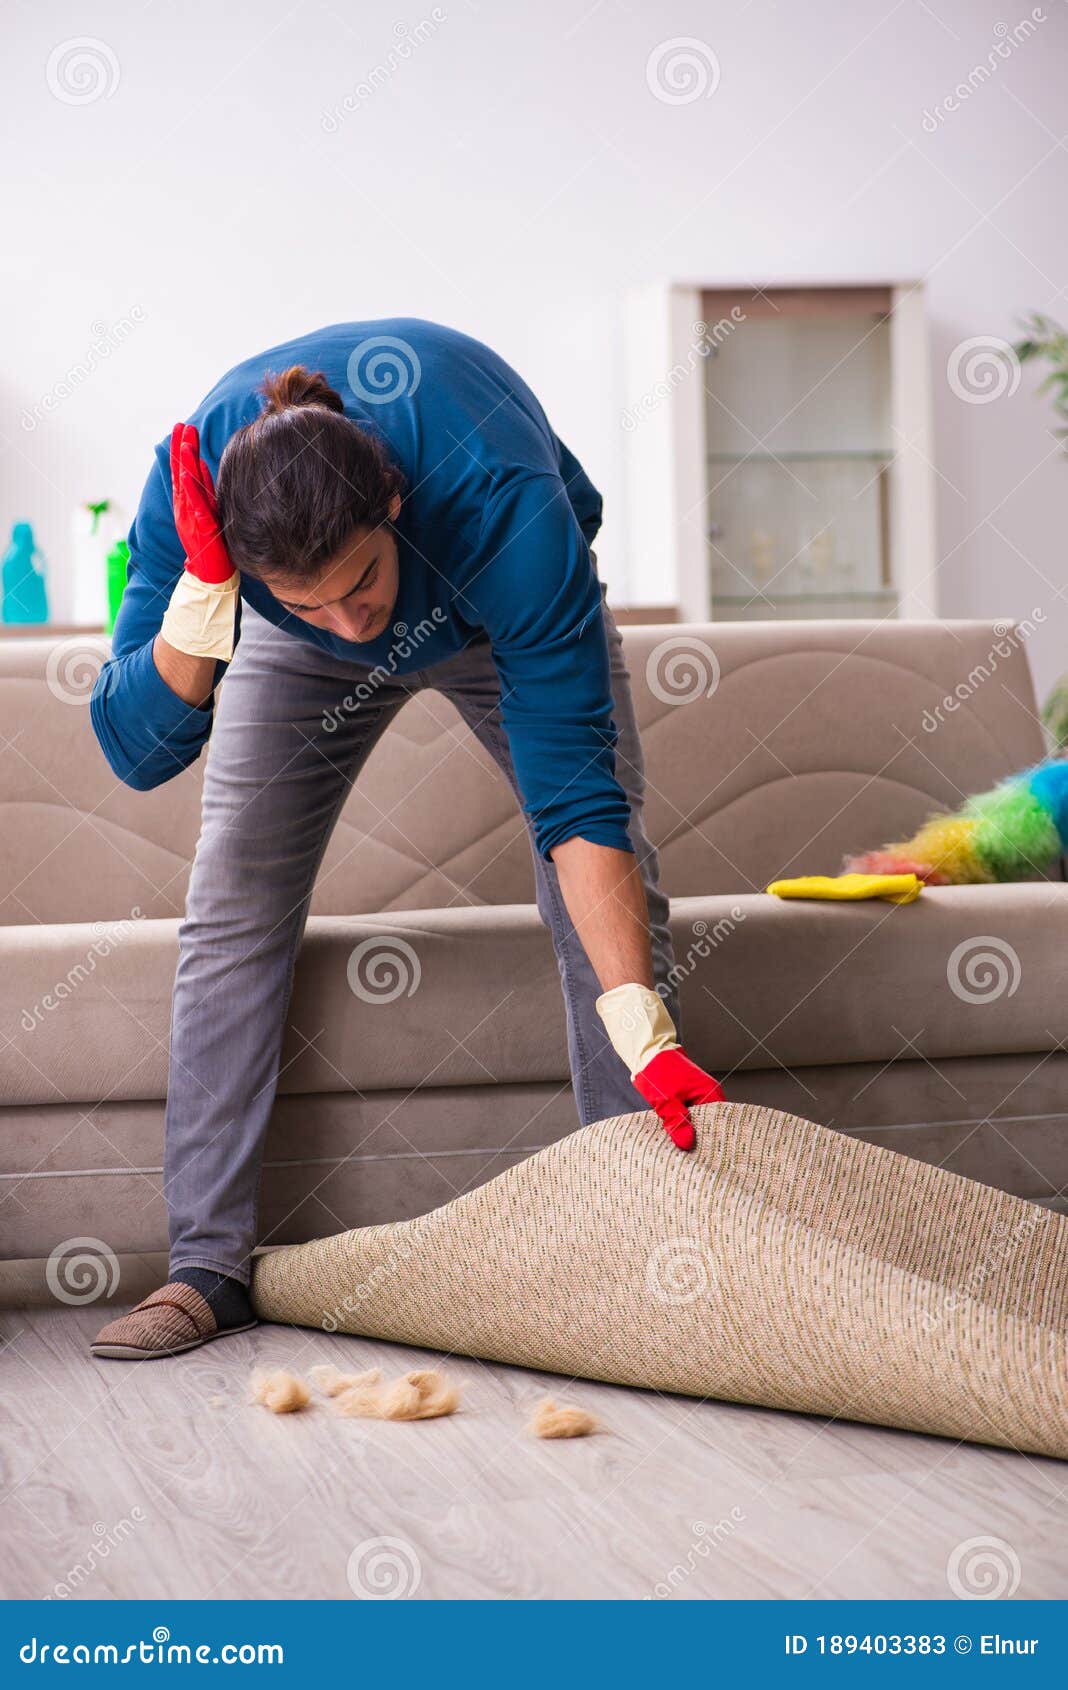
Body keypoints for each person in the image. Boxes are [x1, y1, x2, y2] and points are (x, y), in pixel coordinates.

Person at [88, 318, 725, 1360]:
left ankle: (644, 1226)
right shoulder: (192, 491)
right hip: (273, 638)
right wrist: (208, 606)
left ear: (391, 503)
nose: (350, 623)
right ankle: (207, 1267)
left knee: (611, 883)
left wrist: (644, 1026)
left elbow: (577, 804)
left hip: (485, 604)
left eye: (358, 585)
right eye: (309, 598)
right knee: (235, 897)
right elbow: (135, 748)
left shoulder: (498, 500)